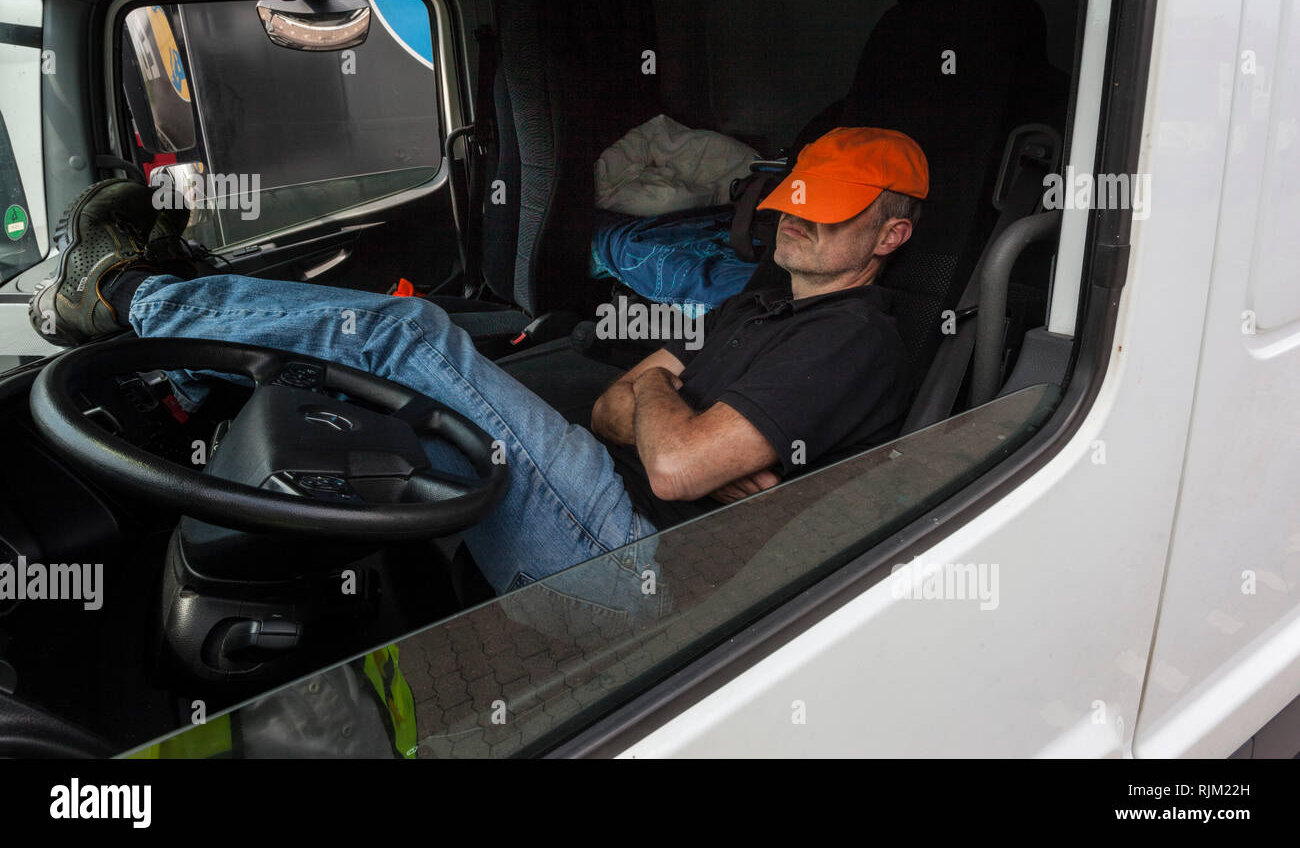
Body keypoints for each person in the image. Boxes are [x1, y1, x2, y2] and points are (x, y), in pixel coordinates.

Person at [29, 127, 928, 620]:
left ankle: (124, 294)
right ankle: (184, 379)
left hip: (638, 562)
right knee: (354, 380)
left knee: (408, 338)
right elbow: (627, 407)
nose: (796, 225)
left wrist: (662, 403)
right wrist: (662, 404)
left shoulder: (855, 336)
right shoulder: (763, 305)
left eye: (830, 214)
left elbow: (673, 466)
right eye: (793, 205)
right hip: (603, 494)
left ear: (891, 235)